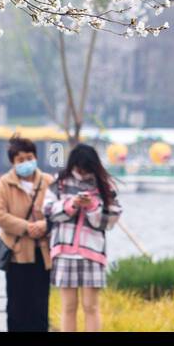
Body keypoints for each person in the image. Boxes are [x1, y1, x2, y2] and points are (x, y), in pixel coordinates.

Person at [45, 142, 121, 332]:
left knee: (91, 306)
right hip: (64, 252)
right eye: (79, 168)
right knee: (68, 307)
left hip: (92, 253)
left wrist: (91, 206)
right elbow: (48, 211)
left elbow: (110, 220)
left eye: (86, 169)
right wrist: (72, 204)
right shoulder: (60, 182)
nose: (82, 172)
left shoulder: (105, 186)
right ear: (73, 164)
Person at [0, 135, 54, 331]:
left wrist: (45, 225)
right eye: (20, 160)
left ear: (35, 157)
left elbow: (59, 212)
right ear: (13, 162)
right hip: (17, 254)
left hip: (42, 254)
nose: (26, 163)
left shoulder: (48, 181)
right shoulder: (5, 183)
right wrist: (26, 227)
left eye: (29, 158)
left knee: (40, 307)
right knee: (17, 308)